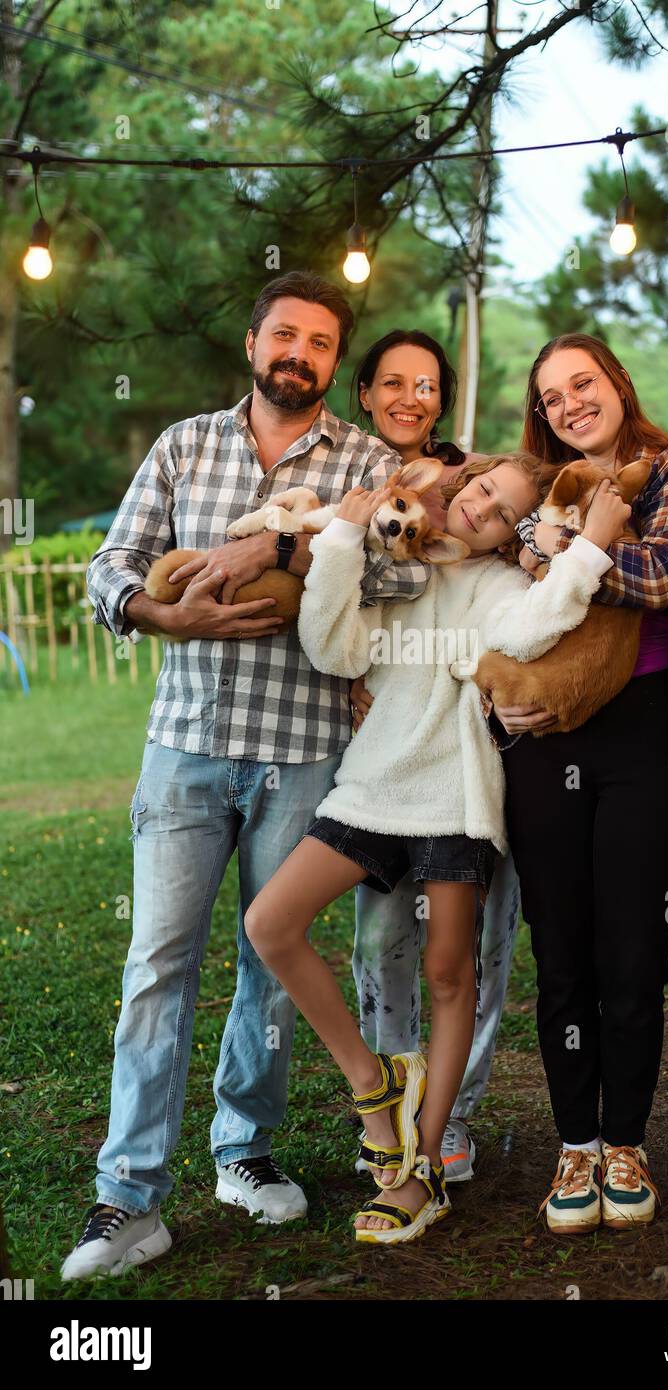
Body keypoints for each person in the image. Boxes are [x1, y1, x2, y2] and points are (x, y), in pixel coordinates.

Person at [62, 271, 430, 1281]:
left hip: (305, 745)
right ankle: (128, 1196)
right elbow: (110, 569)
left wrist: (285, 543)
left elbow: (401, 581)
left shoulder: (367, 459)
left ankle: (243, 1152)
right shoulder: (184, 444)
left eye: (319, 342)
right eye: (286, 334)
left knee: (269, 958)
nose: (299, 353)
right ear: (253, 342)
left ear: (331, 362)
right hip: (184, 742)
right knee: (156, 964)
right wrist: (165, 613)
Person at [243, 451, 631, 1244]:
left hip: (455, 799)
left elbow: (535, 626)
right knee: (269, 925)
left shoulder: (499, 587)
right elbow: (336, 652)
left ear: (509, 533)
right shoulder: (396, 563)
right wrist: (345, 543)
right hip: (371, 787)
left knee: (449, 974)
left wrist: (586, 547)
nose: (479, 510)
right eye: (480, 491)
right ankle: (372, 1080)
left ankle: (422, 1168)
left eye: (500, 512)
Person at [491, 332, 668, 1234]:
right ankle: (573, 1145)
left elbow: (656, 576)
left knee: (631, 948)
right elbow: (513, 594)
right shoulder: (540, 493)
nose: (569, 405)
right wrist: (562, 547)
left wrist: (568, 553)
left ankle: (624, 1140)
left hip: (651, 735)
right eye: (552, 397)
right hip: (548, 733)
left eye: (582, 384)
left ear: (616, 383)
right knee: (559, 946)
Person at [348, 329, 521, 1183]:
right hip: (378, 752)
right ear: (366, 395)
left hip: (472, 752)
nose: (408, 396)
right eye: (391, 382)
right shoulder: (345, 477)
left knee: (479, 945)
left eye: (425, 383)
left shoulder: (468, 477)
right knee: (383, 937)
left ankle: (452, 1116)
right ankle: (390, 1102)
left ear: (440, 398)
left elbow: (521, 527)